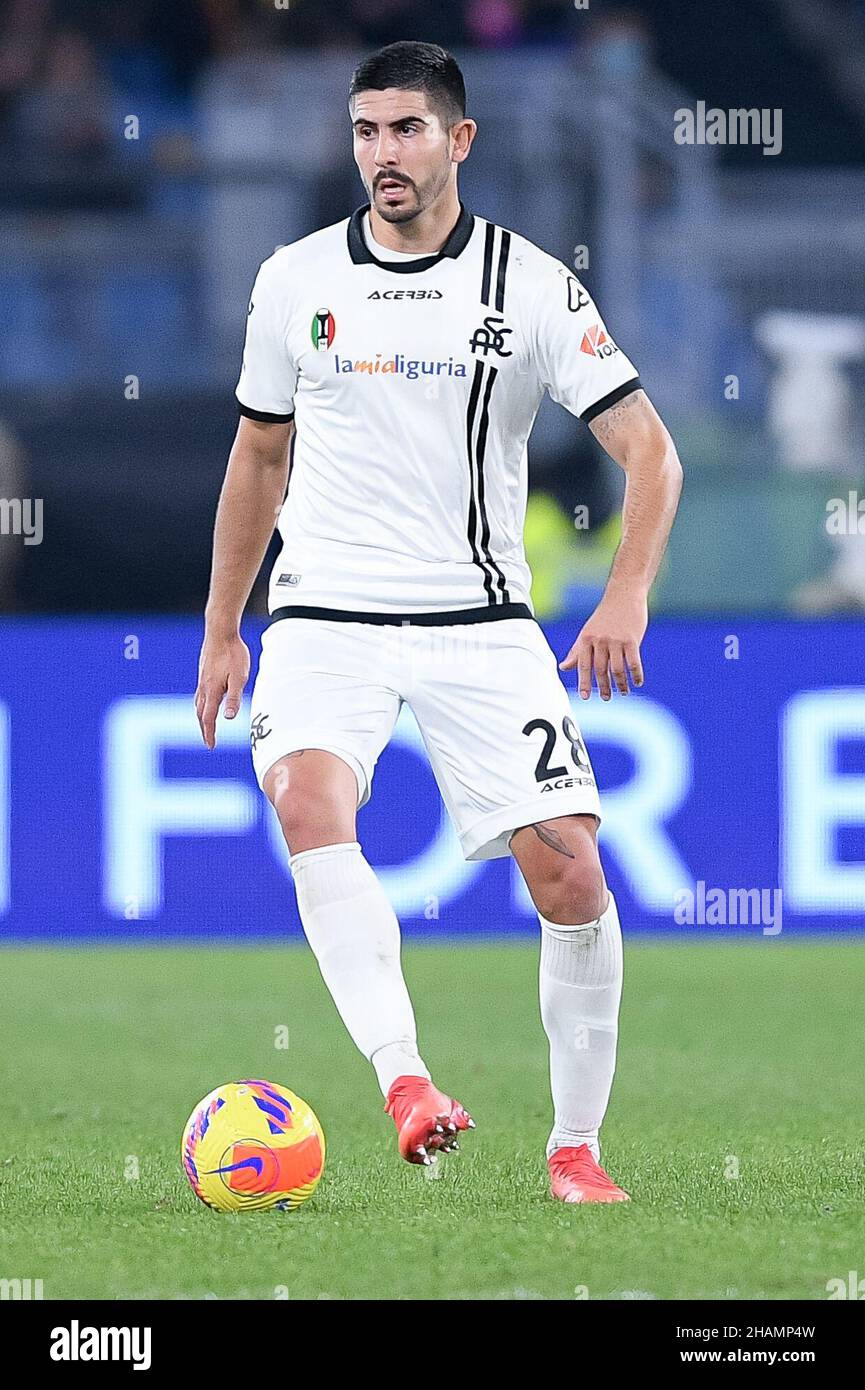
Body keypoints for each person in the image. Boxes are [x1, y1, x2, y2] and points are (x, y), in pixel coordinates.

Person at [195, 41, 682, 1203]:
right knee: (311, 805)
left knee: (570, 877)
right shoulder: (296, 280)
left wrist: (626, 593)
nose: (382, 155)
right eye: (365, 132)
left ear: (459, 141)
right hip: (322, 612)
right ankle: (407, 1082)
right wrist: (223, 625)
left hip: (479, 617)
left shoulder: (531, 288)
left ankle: (575, 1151)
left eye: (406, 130)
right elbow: (258, 455)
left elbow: (650, 452)